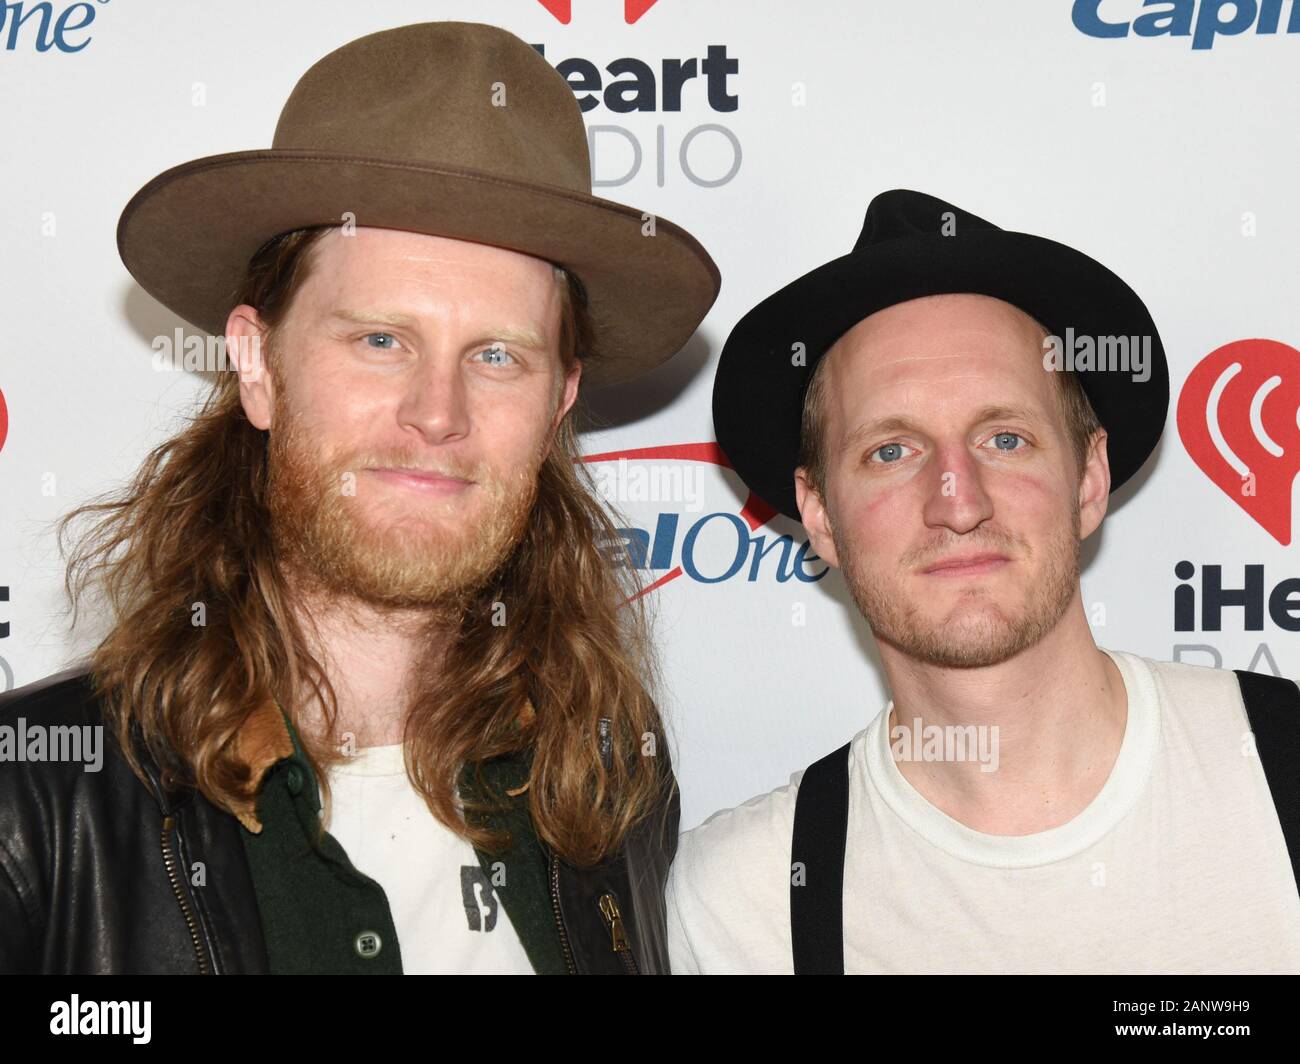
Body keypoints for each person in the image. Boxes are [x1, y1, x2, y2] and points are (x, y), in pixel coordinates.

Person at [0, 20, 719, 974]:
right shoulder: (35, 807)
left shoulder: (606, 775)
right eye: (381, 340)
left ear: (559, 405)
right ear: (256, 362)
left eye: (498, 356)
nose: (438, 413)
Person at [668, 188, 1300, 974]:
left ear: (1089, 479)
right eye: (891, 452)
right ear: (819, 514)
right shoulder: (739, 905)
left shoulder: (1278, 766)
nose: (958, 502)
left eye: (1005, 438)